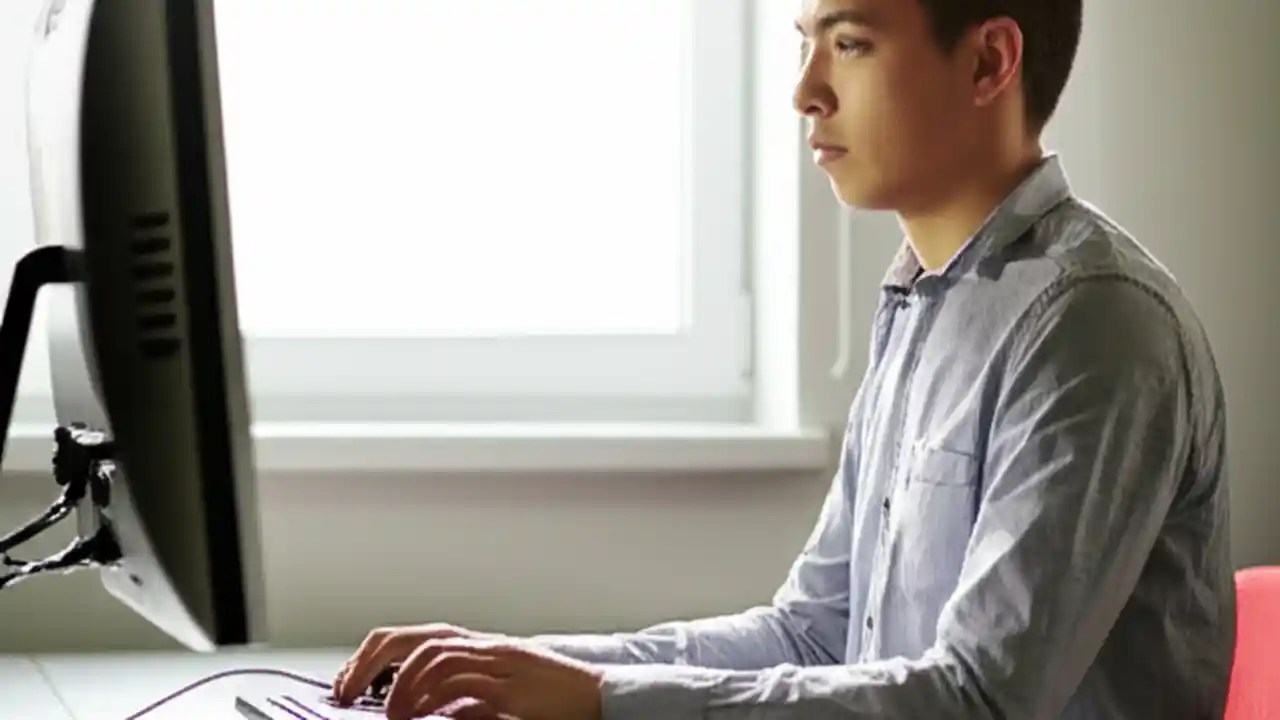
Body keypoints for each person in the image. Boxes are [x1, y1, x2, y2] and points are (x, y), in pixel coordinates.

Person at [332, 0, 1235, 717]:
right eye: (804, 42)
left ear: (988, 62)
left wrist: (601, 702)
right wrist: (517, 668)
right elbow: (813, 636)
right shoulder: (926, 299)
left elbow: (980, 700)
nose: (806, 90)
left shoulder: (1093, 326)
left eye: (848, 44)